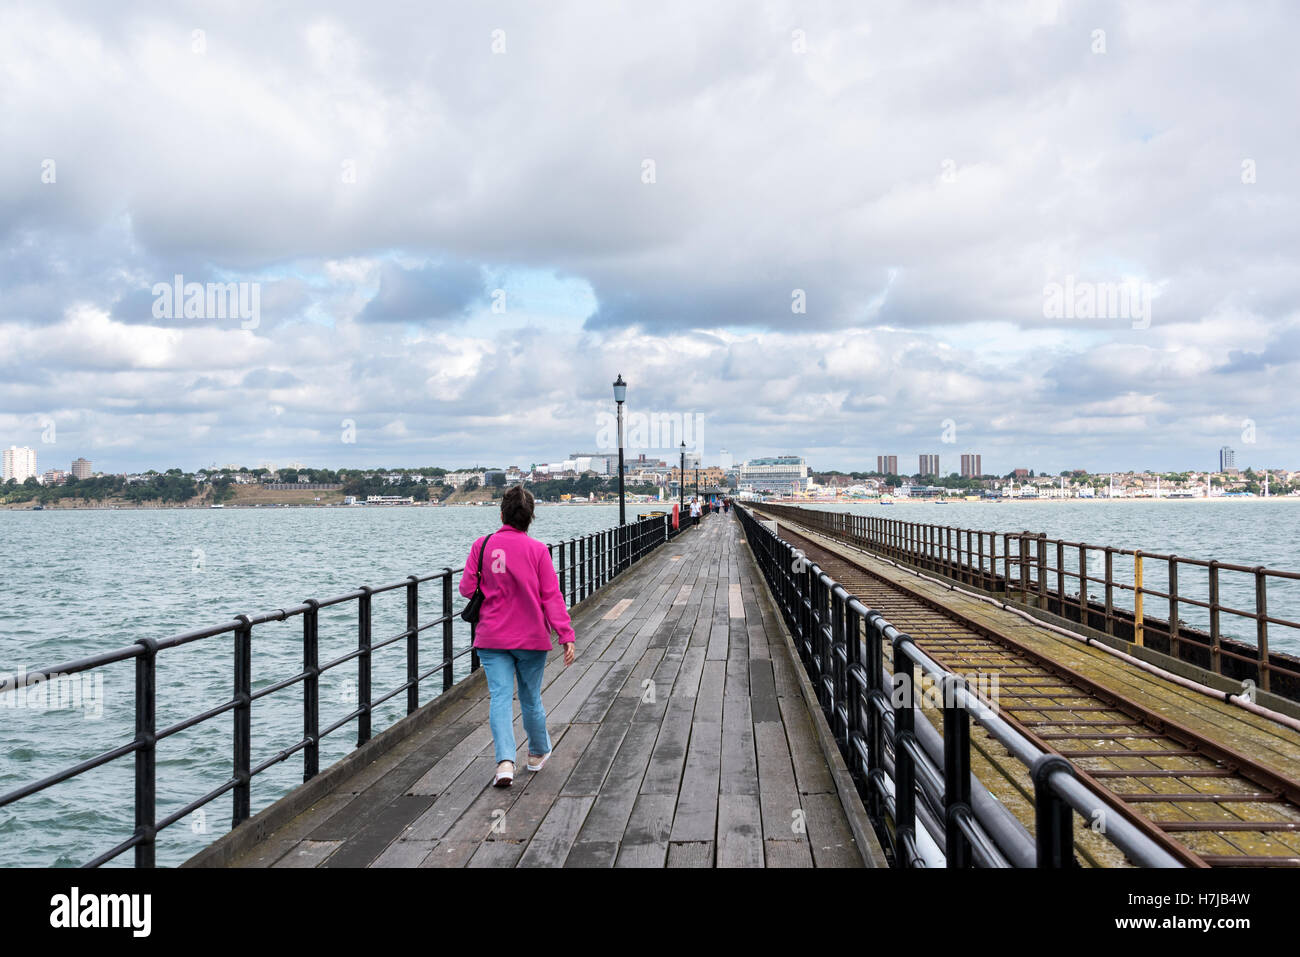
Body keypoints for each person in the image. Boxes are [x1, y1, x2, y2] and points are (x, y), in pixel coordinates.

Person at [459, 485, 575, 788]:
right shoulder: (537, 551)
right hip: (531, 638)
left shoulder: (481, 546)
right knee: (530, 697)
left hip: (492, 637)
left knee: (499, 697)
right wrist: (566, 634)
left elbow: (467, 588)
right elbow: (551, 596)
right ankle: (536, 754)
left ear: (501, 514)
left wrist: (495, 595)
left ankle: (505, 763)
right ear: (530, 518)